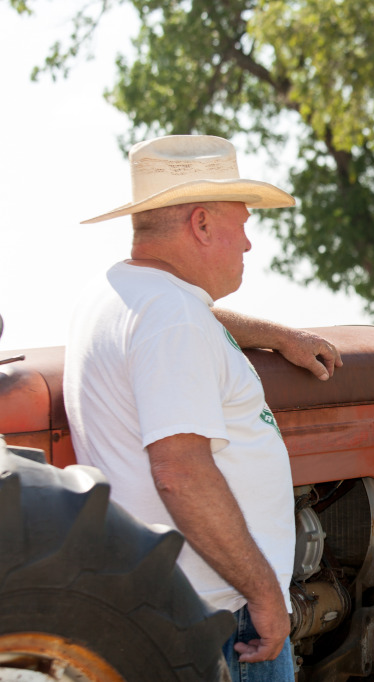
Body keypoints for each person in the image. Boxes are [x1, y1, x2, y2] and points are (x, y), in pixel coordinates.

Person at [63, 134, 343, 682]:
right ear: (202, 224)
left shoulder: (119, 293)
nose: (249, 245)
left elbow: (186, 316)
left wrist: (273, 334)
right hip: (221, 618)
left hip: (158, 604)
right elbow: (180, 470)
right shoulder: (173, 319)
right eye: (242, 223)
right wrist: (265, 596)